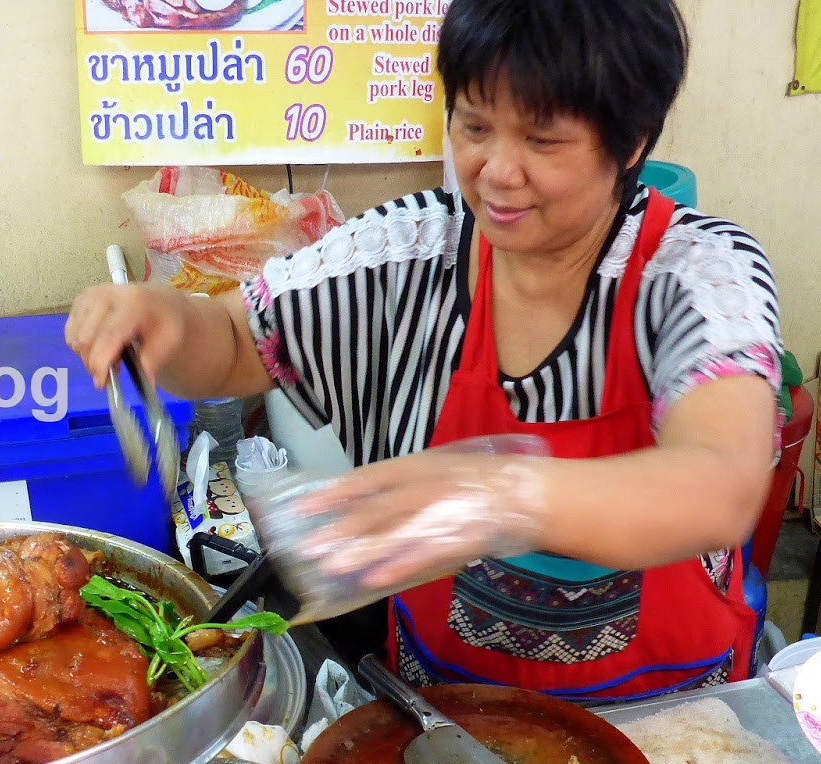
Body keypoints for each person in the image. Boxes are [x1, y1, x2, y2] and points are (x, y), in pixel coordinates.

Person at [67, 0, 783, 703]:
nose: (497, 170)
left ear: (629, 143)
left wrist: (491, 494)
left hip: (671, 723)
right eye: (474, 126)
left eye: (542, 140)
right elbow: (232, 344)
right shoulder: (406, 253)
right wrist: (164, 320)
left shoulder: (697, 271)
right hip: (443, 724)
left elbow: (720, 481)